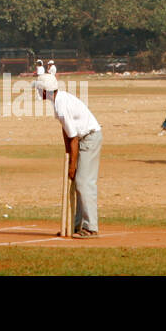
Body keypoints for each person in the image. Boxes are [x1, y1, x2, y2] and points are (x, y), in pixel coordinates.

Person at [35, 71, 102, 237]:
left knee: (83, 182)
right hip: (81, 139)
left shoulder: (61, 105)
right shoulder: (58, 100)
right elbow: (67, 132)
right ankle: (75, 225)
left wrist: (72, 165)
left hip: (89, 138)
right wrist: (68, 156)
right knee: (78, 183)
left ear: (45, 91)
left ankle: (90, 227)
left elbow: (73, 138)